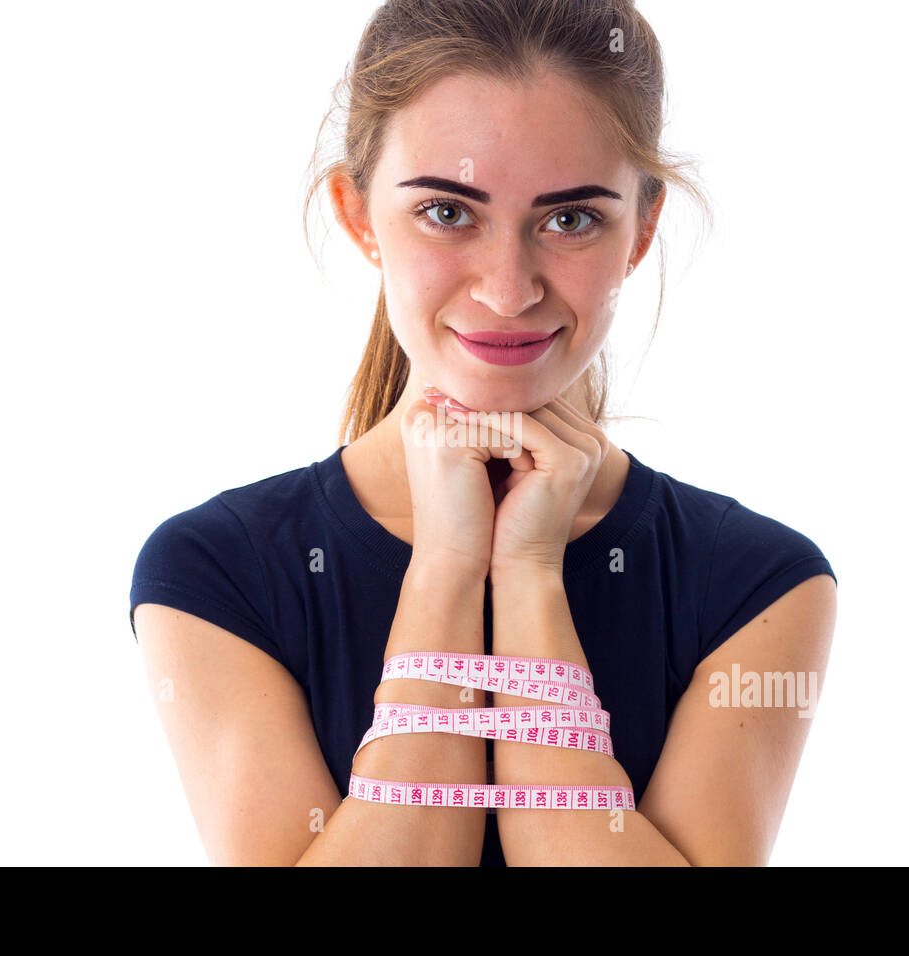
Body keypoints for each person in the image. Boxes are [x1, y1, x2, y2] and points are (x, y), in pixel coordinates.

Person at [129, 0, 837, 866]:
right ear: (358, 217)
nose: (508, 290)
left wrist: (530, 576)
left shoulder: (757, 585)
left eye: (571, 218)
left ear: (642, 229)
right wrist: (447, 568)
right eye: (447, 212)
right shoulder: (219, 571)